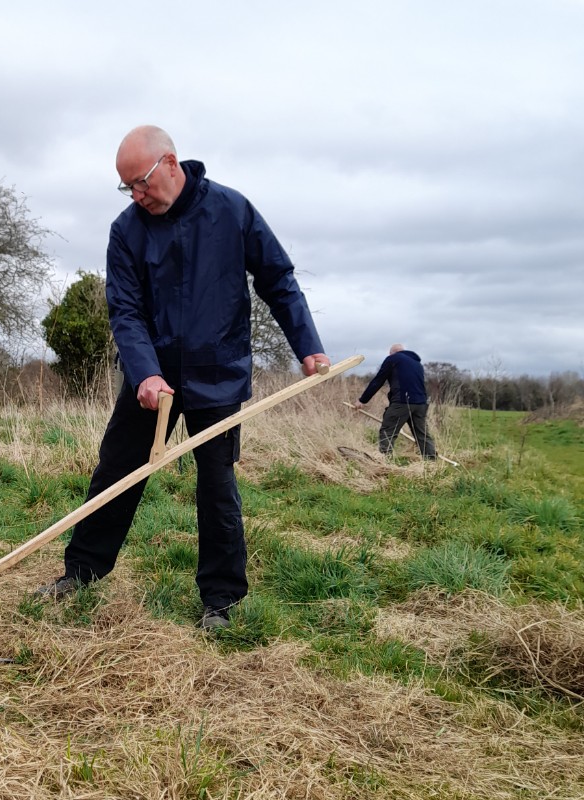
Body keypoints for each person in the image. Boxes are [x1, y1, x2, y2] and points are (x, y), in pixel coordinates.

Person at [36, 125, 330, 630]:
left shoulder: (232, 211)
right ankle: (81, 572)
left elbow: (278, 280)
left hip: (219, 375)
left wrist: (309, 346)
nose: (137, 194)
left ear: (170, 163)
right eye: (127, 186)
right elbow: (125, 310)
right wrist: (145, 373)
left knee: (217, 484)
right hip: (153, 381)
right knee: (116, 471)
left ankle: (221, 600)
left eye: (142, 182)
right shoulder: (126, 231)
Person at [354, 344, 437, 459]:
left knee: (388, 430)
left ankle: (384, 460)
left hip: (402, 402)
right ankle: (431, 460)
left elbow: (378, 380)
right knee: (421, 434)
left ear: (391, 353)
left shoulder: (393, 359)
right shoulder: (417, 363)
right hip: (421, 403)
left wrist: (362, 400)